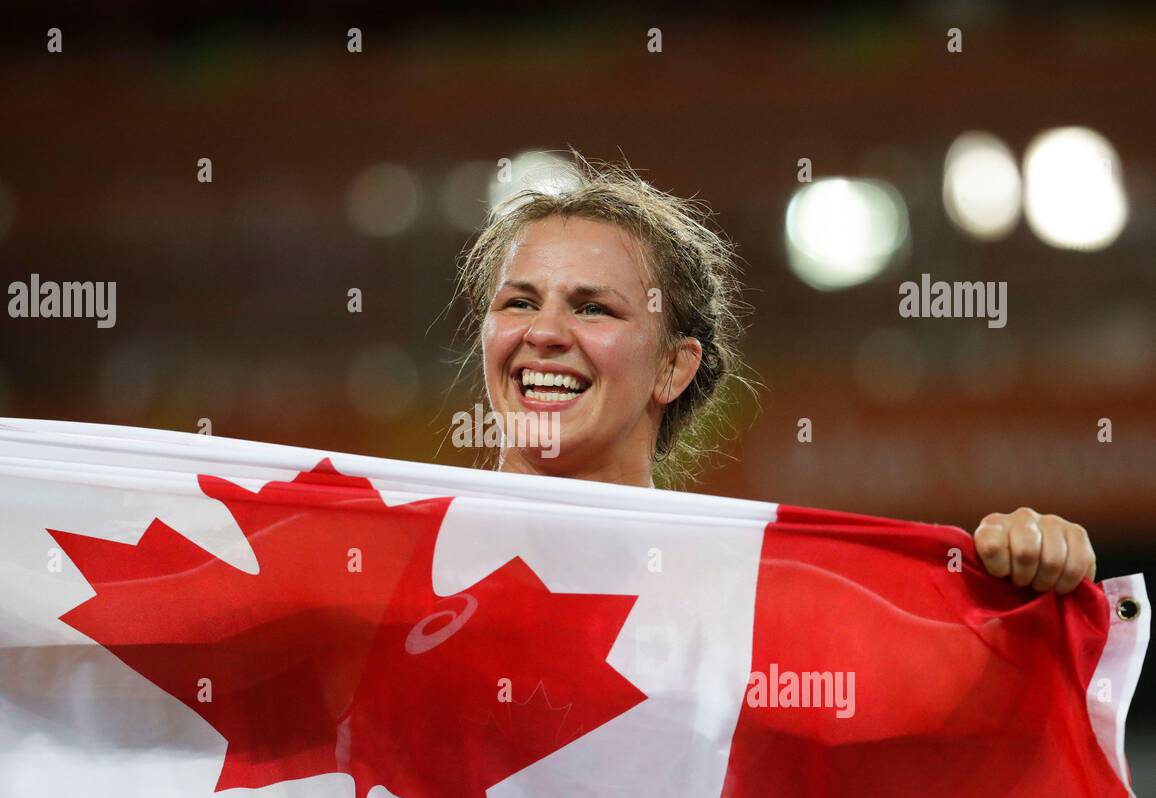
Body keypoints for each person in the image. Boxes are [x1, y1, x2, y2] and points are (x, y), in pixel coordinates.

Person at [449, 153, 1096, 594]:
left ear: (674, 367)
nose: (544, 333)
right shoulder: (374, 561)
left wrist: (1024, 598)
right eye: (519, 302)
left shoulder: (754, 595)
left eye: (593, 308)